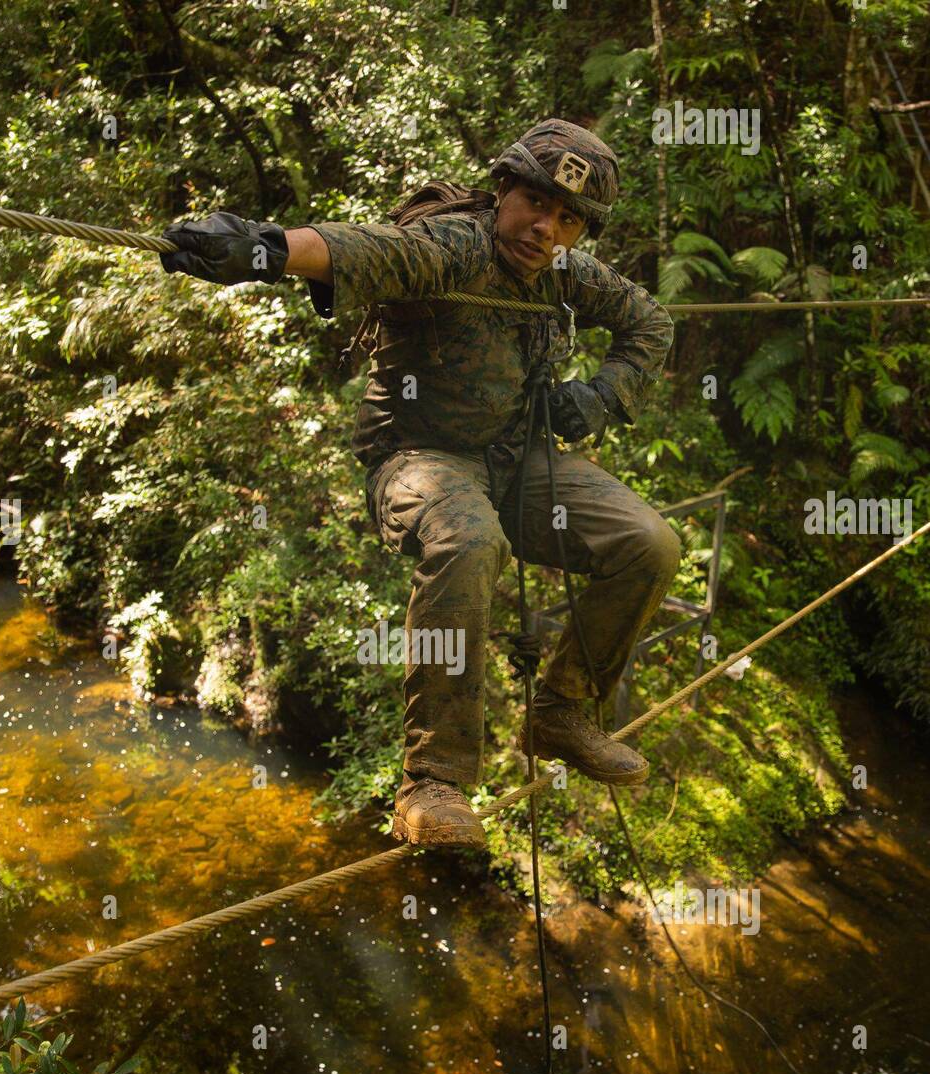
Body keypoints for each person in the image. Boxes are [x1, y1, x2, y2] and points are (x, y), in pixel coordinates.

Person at [159, 118, 680, 850]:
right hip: (420, 457)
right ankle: (431, 782)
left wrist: (597, 396)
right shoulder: (455, 245)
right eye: (534, 202)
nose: (544, 228)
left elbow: (649, 324)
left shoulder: (565, 272)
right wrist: (265, 248)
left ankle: (563, 712)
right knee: (469, 542)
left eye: (566, 220)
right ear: (502, 189)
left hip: (517, 460)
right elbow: (369, 249)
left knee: (648, 543)